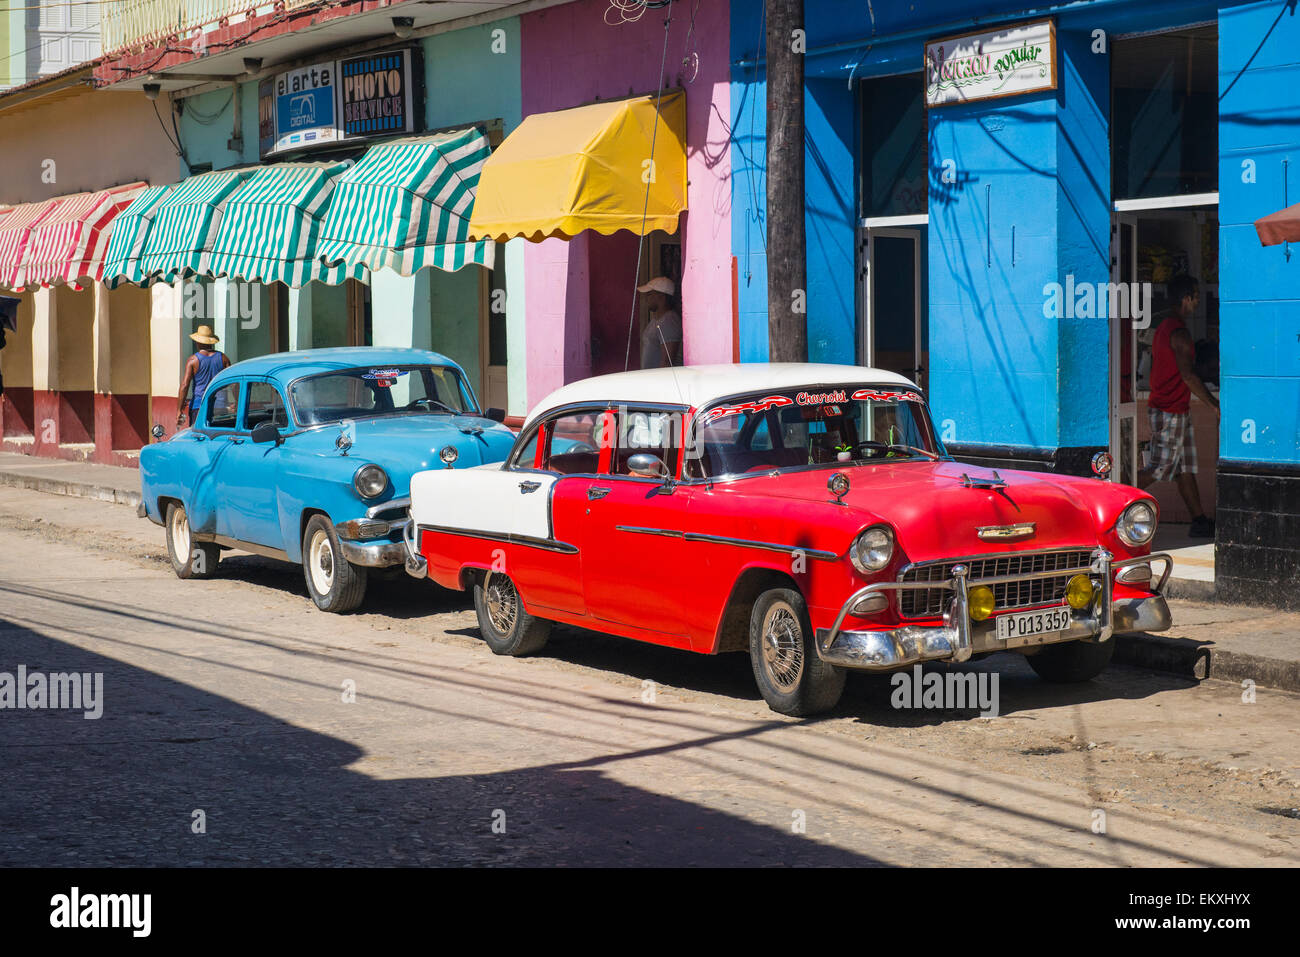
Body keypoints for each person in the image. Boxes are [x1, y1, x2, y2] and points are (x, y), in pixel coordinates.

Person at [1137, 274, 1219, 538]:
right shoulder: (1179, 332)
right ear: (1187, 298)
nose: (1197, 300)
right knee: (1160, 468)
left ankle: (1199, 520)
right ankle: (1118, 500)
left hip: (1174, 409)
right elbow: (1188, 375)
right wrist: (1213, 404)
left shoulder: (1166, 327)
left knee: (1184, 468)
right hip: (1169, 410)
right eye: (1196, 295)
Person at [177, 325, 231, 428]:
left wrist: (179, 410)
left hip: (199, 406)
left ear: (198, 342)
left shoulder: (193, 360)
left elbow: (184, 385)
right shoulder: (224, 358)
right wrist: (237, 403)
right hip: (220, 407)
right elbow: (232, 384)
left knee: (198, 439)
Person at [637, 276, 682, 369]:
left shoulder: (669, 321)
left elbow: (667, 360)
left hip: (658, 381)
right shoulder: (655, 320)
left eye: (649, 294)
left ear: (661, 297)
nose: (646, 298)